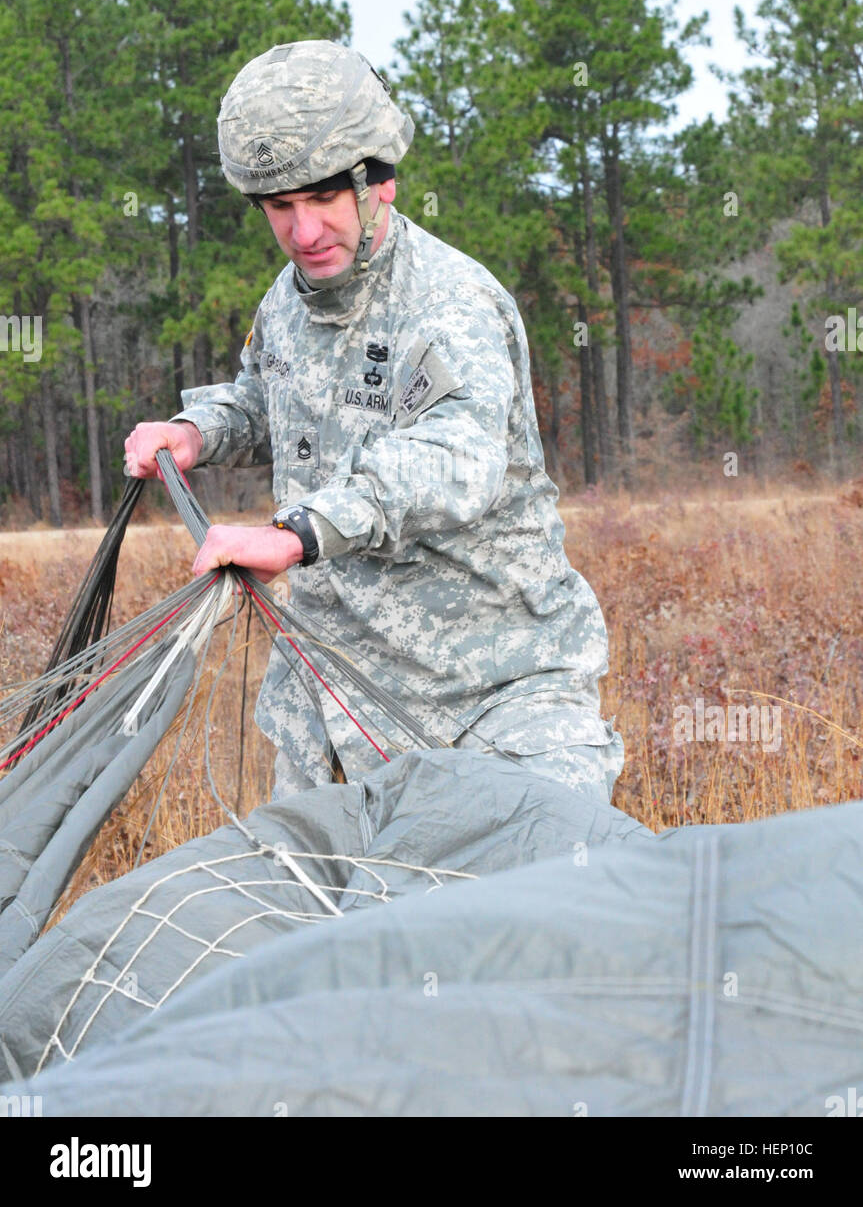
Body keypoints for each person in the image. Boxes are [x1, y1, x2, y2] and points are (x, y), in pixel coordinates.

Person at [125, 40, 625, 804]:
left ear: (378, 184)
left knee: (527, 908)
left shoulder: (451, 303)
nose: (303, 233)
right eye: (279, 209)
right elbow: (268, 396)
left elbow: (453, 455)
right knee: (321, 919)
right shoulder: (287, 302)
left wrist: (296, 532)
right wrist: (195, 433)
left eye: (322, 200)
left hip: (489, 697)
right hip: (334, 698)